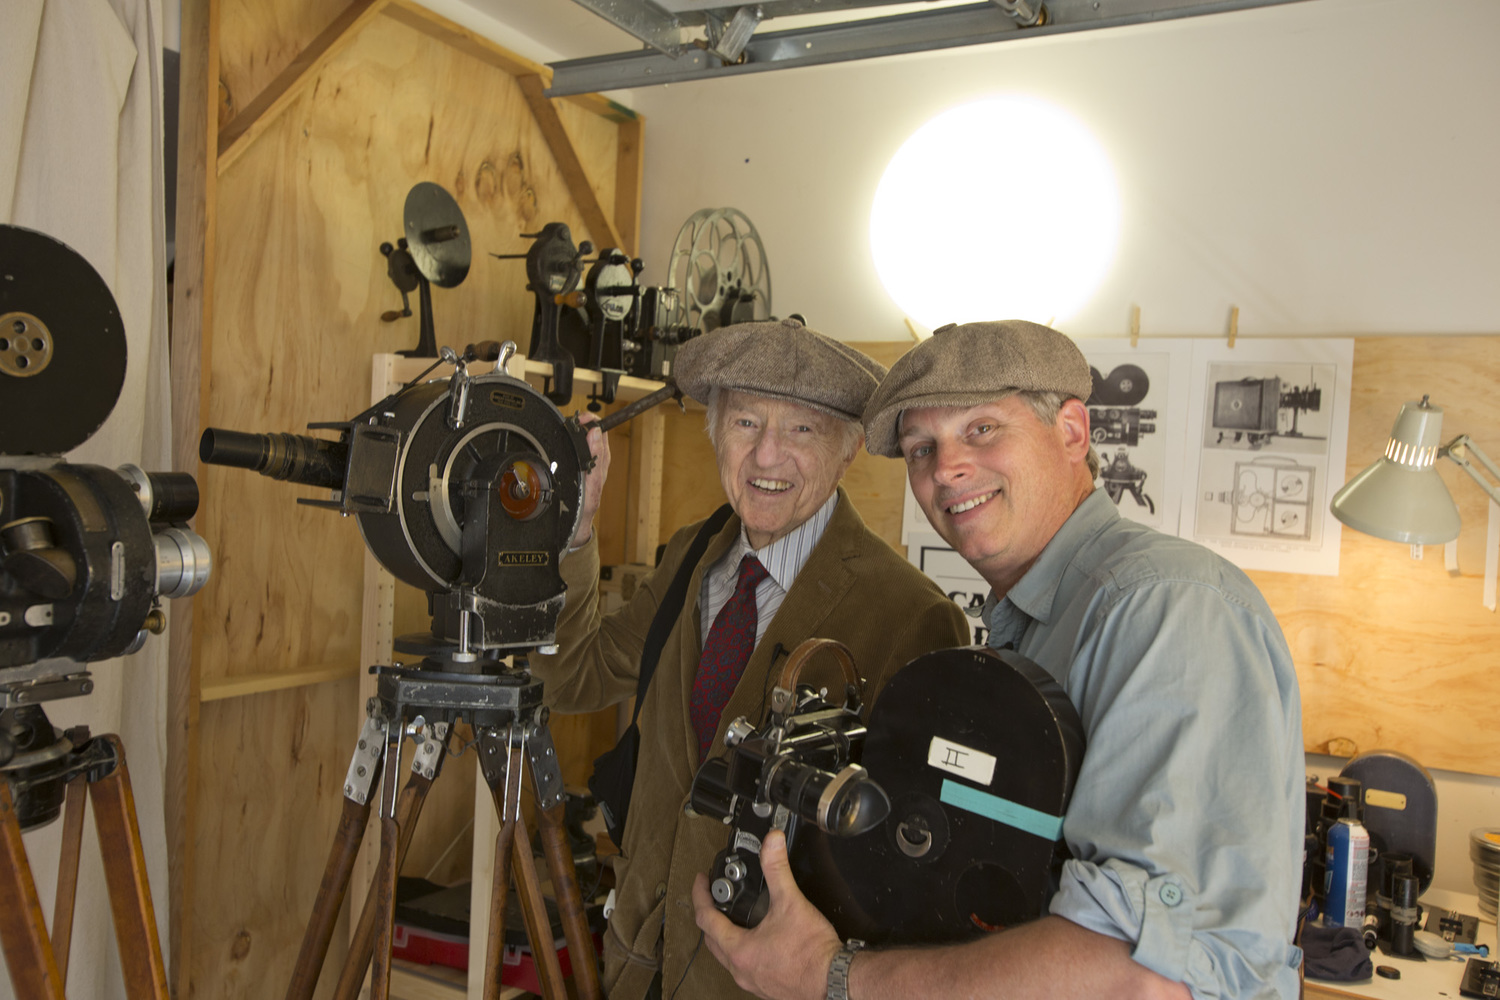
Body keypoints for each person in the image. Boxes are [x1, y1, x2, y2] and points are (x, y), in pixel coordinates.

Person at [693, 320, 1306, 1000]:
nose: (946, 468)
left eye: (982, 430)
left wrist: (833, 978)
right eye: (922, 447)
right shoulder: (1030, 628)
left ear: (1073, 432)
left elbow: (1143, 978)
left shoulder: (1164, 610)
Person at [530, 317, 971, 1000]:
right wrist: (576, 528)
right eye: (744, 425)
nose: (766, 457)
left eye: (801, 430)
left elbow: (915, 869)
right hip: (638, 964)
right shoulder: (691, 560)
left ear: (848, 449)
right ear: (714, 435)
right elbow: (570, 674)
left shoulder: (911, 615)